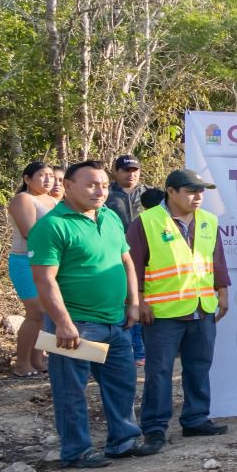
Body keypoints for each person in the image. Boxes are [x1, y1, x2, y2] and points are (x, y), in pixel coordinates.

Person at [29, 160, 148, 468]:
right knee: (72, 392)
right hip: (76, 326)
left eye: (105, 185)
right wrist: (63, 323)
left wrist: (133, 302)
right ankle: (76, 452)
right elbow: (45, 279)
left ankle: (123, 441)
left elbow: (126, 261)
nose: (100, 191)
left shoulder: (109, 217)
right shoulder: (52, 226)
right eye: (92, 184)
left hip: (116, 322)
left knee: (122, 385)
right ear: (67, 186)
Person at [130, 168, 231, 452]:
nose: (197, 196)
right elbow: (133, 264)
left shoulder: (209, 221)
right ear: (171, 192)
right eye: (190, 191)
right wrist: (138, 300)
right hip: (163, 312)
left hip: (202, 307)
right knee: (158, 371)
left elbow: (217, 259)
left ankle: (196, 419)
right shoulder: (147, 222)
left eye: (200, 191)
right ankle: (154, 428)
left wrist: (223, 291)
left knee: (199, 366)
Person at [8, 162, 59, 376]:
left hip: (50, 262)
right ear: (27, 179)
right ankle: (21, 363)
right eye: (42, 175)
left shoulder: (54, 200)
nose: (48, 179)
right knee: (36, 312)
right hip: (24, 261)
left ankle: (37, 359)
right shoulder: (23, 199)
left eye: (50, 175)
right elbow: (29, 232)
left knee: (48, 313)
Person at [105, 153, 148, 364]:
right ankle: (124, 349)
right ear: (116, 172)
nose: (131, 174)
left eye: (135, 170)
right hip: (114, 256)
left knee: (140, 298)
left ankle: (140, 351)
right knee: (122, 300)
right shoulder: (106, 195)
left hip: (145, 255)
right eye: (126, 170)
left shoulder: (151, 195)